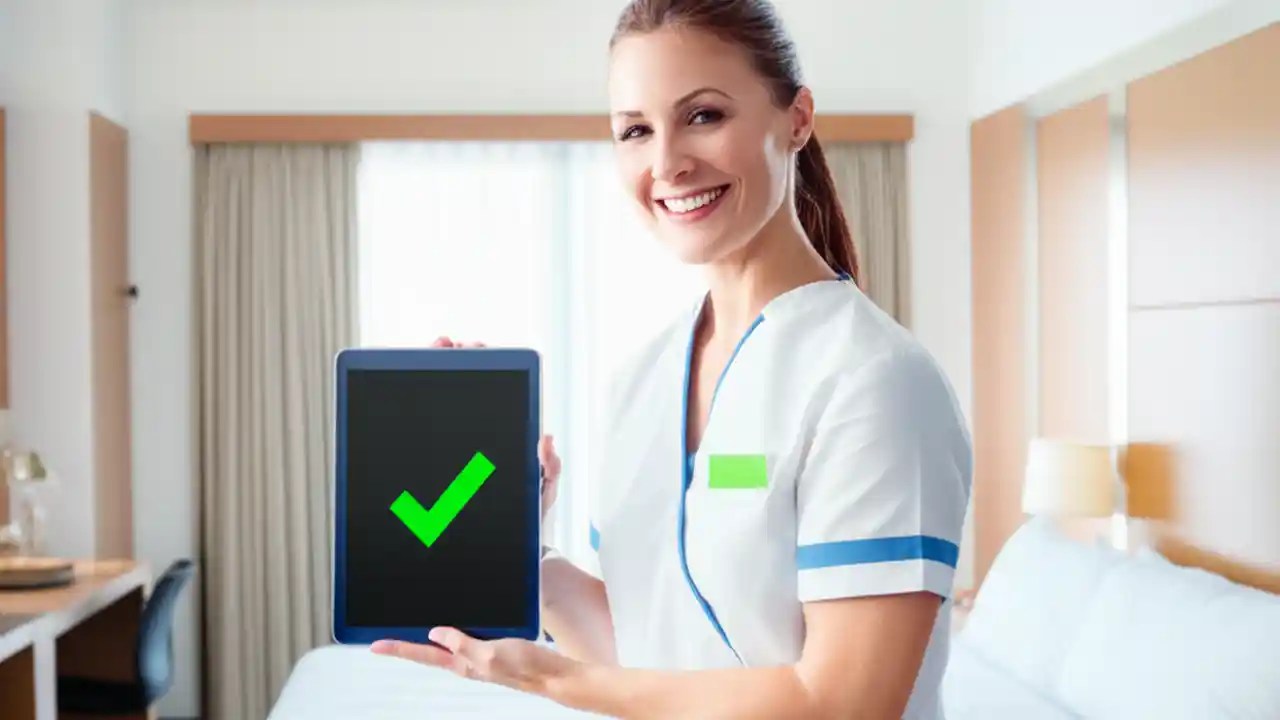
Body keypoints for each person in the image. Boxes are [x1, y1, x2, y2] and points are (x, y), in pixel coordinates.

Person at [371, 0, 972, 717]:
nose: (666, 163)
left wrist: (547, 678)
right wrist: (511, 545)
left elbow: (843, 702)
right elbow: (645, 648)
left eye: (704, 116)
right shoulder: (639, 384)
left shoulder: (874, 382)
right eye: (635, 131)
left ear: (798, 118)